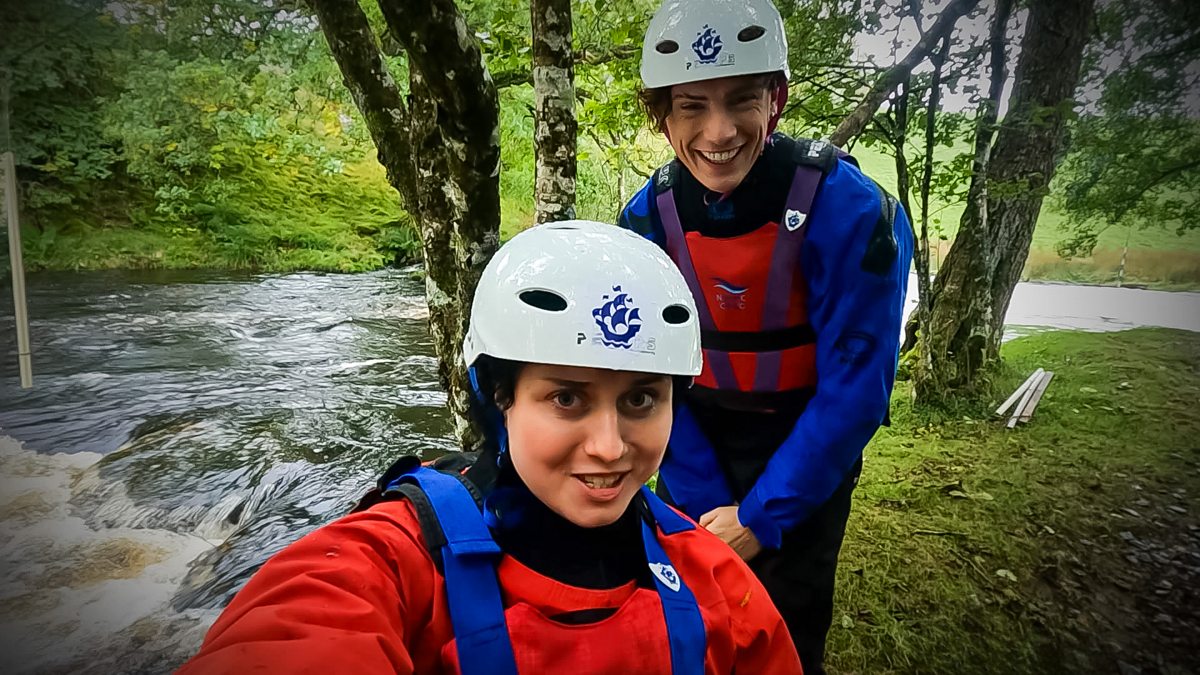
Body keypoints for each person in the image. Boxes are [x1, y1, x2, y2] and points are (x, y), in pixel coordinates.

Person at [178, 220, 802, 674]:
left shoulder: (715, 577)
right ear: (500, 398)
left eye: (641, 400)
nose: (611, 448)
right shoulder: (388, 564)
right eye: (567, 398)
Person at [618, 1, 915, 672]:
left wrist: (759, 517)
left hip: (806, 450)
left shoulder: (853, 211)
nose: (718, 132)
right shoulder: (646, 220)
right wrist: (700, 504)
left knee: (787, 627)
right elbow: (649, 377)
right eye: (692, 106)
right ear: (663, 116)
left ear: (775, 100)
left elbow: (854, 394)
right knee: (692, 617)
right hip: (693, 444)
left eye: (741, 101)